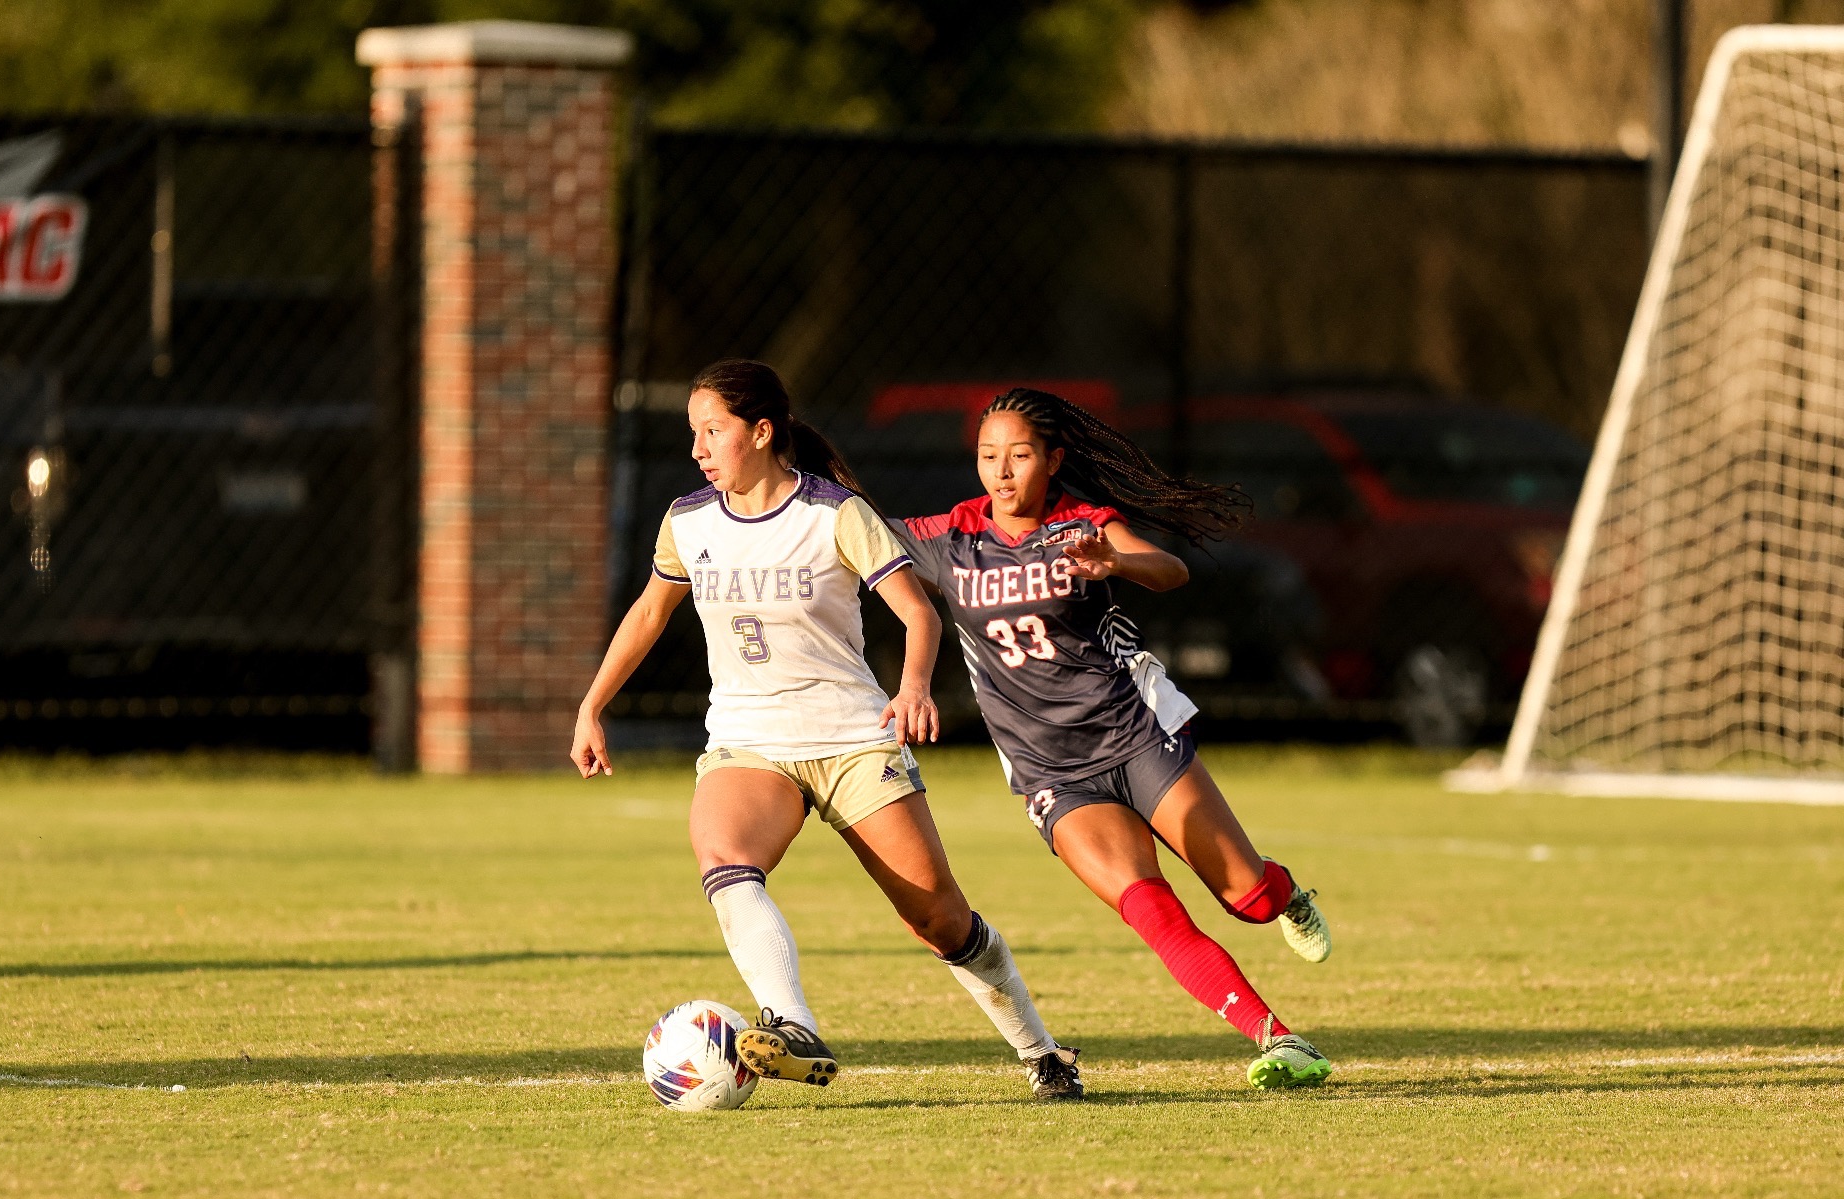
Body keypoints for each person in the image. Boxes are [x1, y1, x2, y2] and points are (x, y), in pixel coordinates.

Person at [571, 360, 1085, 1100]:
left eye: (712, 430)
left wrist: (912, 688)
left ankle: (1042, 1052)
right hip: (749, 740)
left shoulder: (834, 513)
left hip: (851, 739)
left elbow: (919, 613)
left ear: (761, 431)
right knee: (724, 860)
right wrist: (592, 705)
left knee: (939, 919)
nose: (698, 449)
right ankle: (793, 1026)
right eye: (693, 432)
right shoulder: (689, 520)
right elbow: (650, 611)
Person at [891, 387, 1334, 1090]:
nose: (1001, 470)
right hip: (1052, 774)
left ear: (1054, 460)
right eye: (987, 455)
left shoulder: (1083, 524)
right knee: (1152, 908)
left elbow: (1170, 569)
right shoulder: (951, 536)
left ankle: (1287, 894)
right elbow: (846, 532)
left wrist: (1115, 562)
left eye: (1019, 455)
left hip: (1133, 737)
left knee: (1248, 897)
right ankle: (1278, 1039)